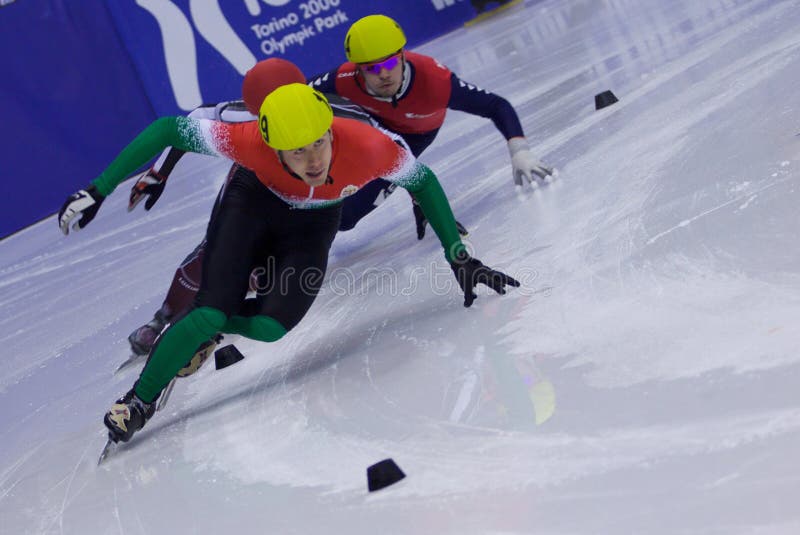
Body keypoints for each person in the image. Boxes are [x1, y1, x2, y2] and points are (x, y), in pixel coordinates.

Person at [58, 81, 520, 444]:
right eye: (297, 150)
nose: (314, 159)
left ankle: (207, 331)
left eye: (320, 143)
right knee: (209, 310)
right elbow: (167, 130)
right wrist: (98, 189)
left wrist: (460, 258)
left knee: (272, 328)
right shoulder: (246, 141)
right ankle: (137, 402)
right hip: (252, 203)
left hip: (314, 222)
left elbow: (424, 182)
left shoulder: (370, 146)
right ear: (272, 144)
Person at [308, 14, 555, 235]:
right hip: (370, 126)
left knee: (345, 218)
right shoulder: (342, 79)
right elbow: (293, 93)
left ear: (403, 56)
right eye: (372, 68)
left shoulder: (435, 81)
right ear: (358, 70)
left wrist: (519, 151)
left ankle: (418, 195)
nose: (383, 74)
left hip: (415, 134)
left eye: (390, 63)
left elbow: (496, 106)